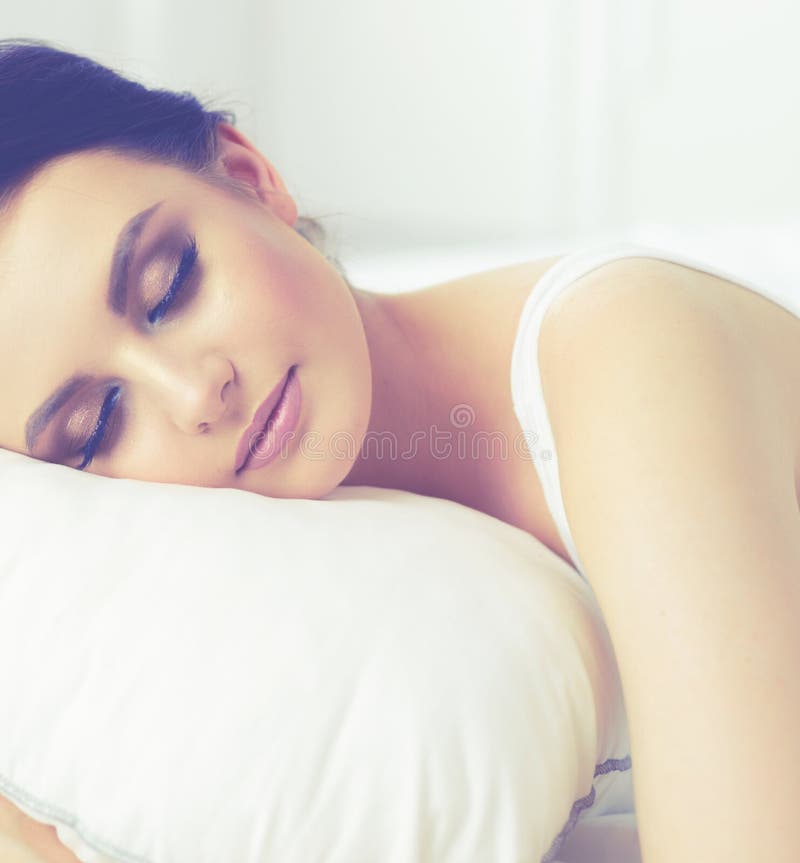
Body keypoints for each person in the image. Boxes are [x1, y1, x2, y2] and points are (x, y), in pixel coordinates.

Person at [1, 38, 799, 863]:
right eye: (95, 427)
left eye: (172, 284)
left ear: (250, 178)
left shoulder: (634, 349)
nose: (196, 393)